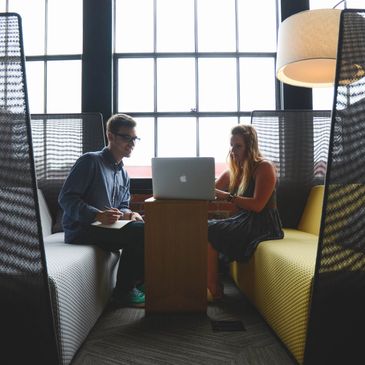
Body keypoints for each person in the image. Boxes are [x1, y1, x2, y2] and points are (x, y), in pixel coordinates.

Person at [58, 113, 145, 307]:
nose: (132, 143)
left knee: (146, 225)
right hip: (82, 229)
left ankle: (140, 283)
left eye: (134, 138)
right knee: (142, 233)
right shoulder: (90, 161)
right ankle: (124, 292)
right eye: (126, 137)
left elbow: (122, 205)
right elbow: (66, 198)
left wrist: (129, 214)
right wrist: (97, 215)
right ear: (111, 136)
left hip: (107, 228)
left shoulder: (123, 172)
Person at [208, 124, 284, 300]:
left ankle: (213, 286)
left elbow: (258, 205)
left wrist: (227, 196)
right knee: (205, 228)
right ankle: (212, 284)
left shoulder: (264, 167)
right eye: (231, 145)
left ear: (250, 146)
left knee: (209, 229)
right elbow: (209, 191)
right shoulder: (234, 170)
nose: (233, 150)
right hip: (243, 219)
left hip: (263, 223)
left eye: (238, 146)